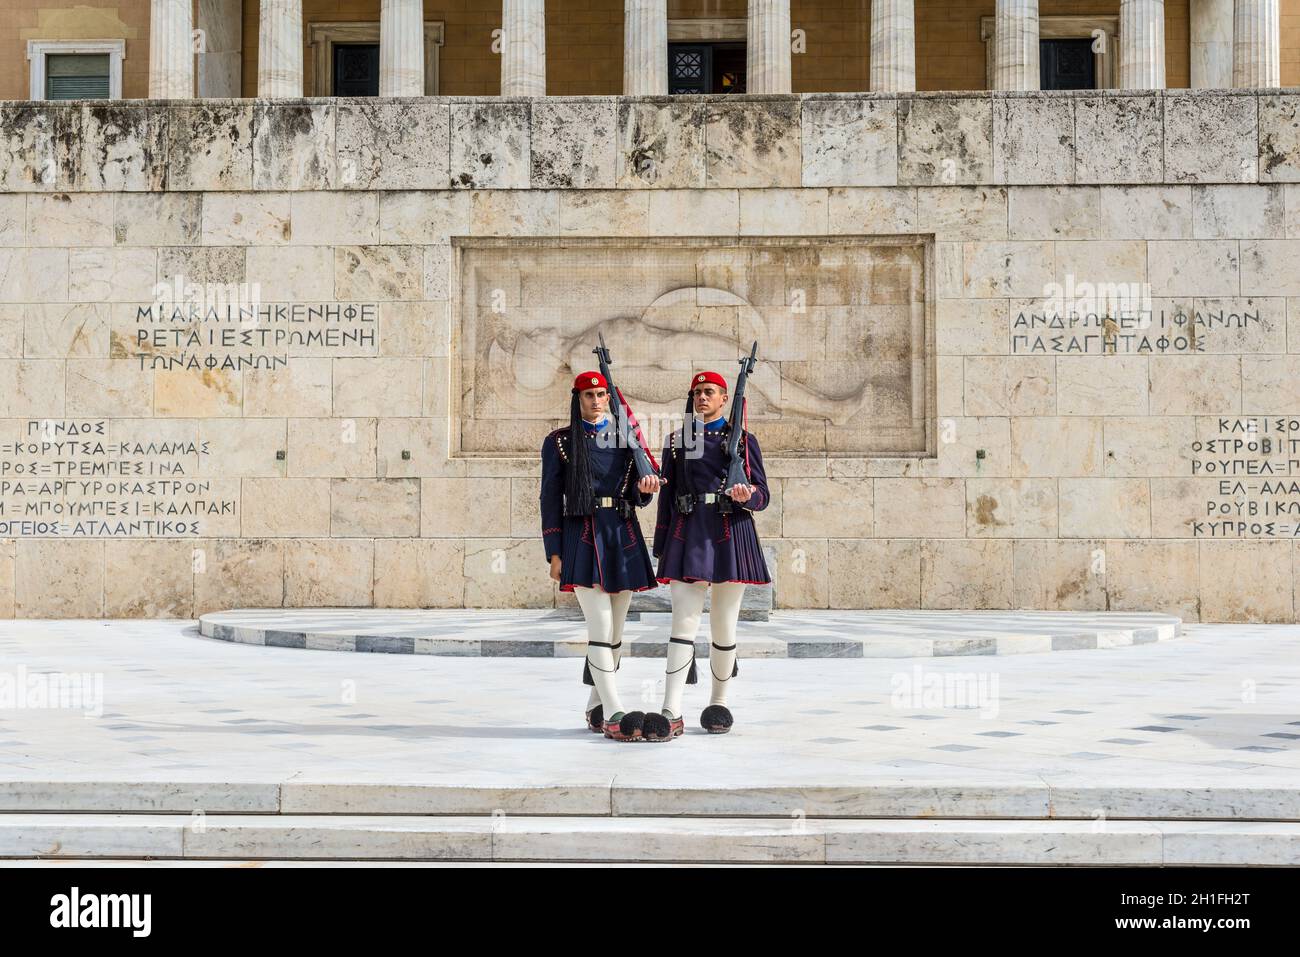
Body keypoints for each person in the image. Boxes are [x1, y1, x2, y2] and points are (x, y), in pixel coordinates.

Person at [646, 370, 771, 741]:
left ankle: (719, 703)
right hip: (689, 533)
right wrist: (662, 544)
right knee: (682, 624)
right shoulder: (675, 443)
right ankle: (671, 709)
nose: (703, 397)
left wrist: (750, 496)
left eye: (710, 392)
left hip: (730, 530)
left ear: (723, 398)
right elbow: (666, 502)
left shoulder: (744, 442)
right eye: (698, 392)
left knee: (724, 624)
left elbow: (763, 494)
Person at [540, 370, 661, 742]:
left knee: (617, 633)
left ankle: (594, 706)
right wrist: (554, 552)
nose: (596, 401)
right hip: (582, 534)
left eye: (602, 395)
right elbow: (549, 498)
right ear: (577, 399)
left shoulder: (627, 440)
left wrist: (647, 489)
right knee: (600, 628)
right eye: (589, 395)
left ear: (609, 398)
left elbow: (639, 494)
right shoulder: (560, 442)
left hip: (621, 532)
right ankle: (613, 712)